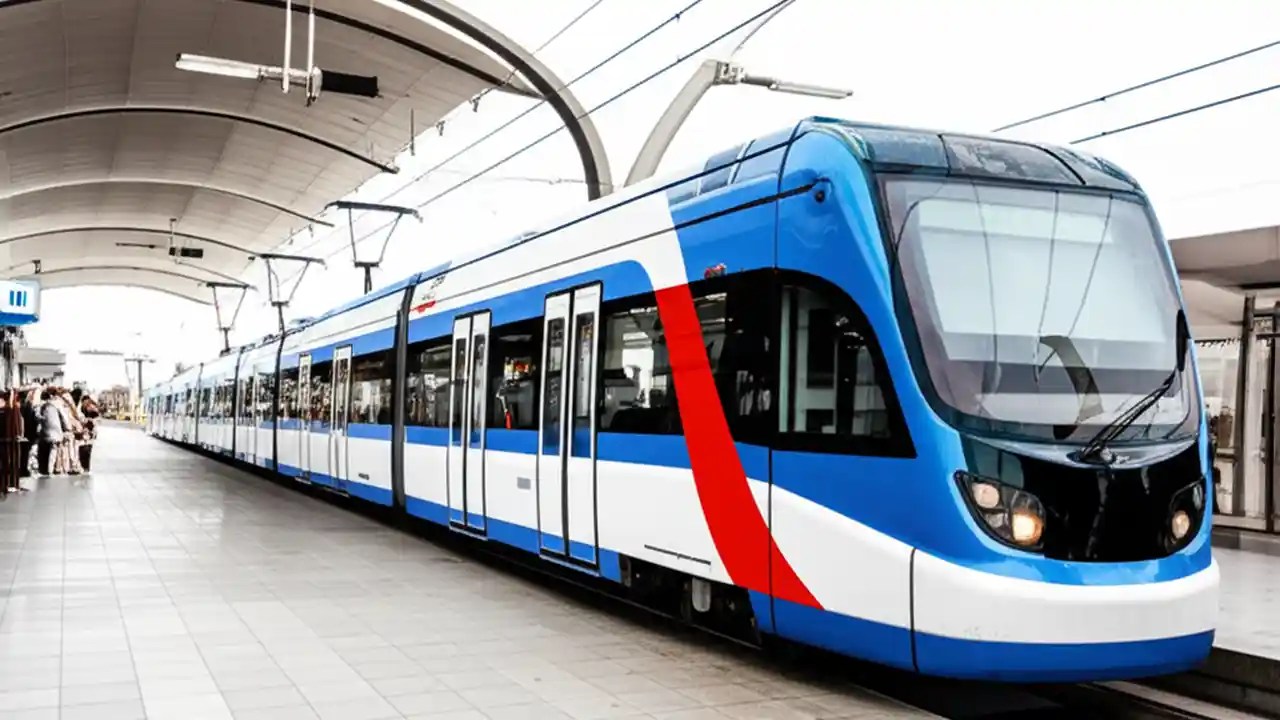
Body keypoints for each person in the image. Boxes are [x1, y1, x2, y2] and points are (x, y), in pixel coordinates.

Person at [37, 390, 62, 476]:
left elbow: (37, 417)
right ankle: (50, 470)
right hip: (56, 432)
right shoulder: (56, 405)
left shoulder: (41, 406)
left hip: (45, 433)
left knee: (45, 450)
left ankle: (44, 469)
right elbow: (63, 417)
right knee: (53, 450)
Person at [79, 394, 99, 472]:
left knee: (86, 448)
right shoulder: (90, 406)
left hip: (89, 430)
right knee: (86, 448)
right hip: (89, 430)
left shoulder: (88, 406)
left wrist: (88, 421)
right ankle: (85, 466)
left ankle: (85, 467)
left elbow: (94, 417)